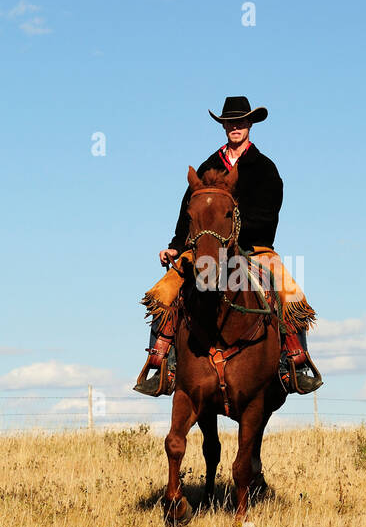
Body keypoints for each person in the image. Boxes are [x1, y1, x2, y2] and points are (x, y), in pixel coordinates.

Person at [133, 96, 322, 396]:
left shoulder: (264, 168)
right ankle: (162, 365)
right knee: (164, 291)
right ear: (223, 126)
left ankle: (293, 364)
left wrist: (232, 229)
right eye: (229, 122)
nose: (235, 126)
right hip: (207, 248)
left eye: (241, 121)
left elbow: (269, 213)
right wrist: (175, 246)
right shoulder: (209, 166)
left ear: (250, 124)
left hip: (254, 249)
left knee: (290, 292)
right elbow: (190, 211)